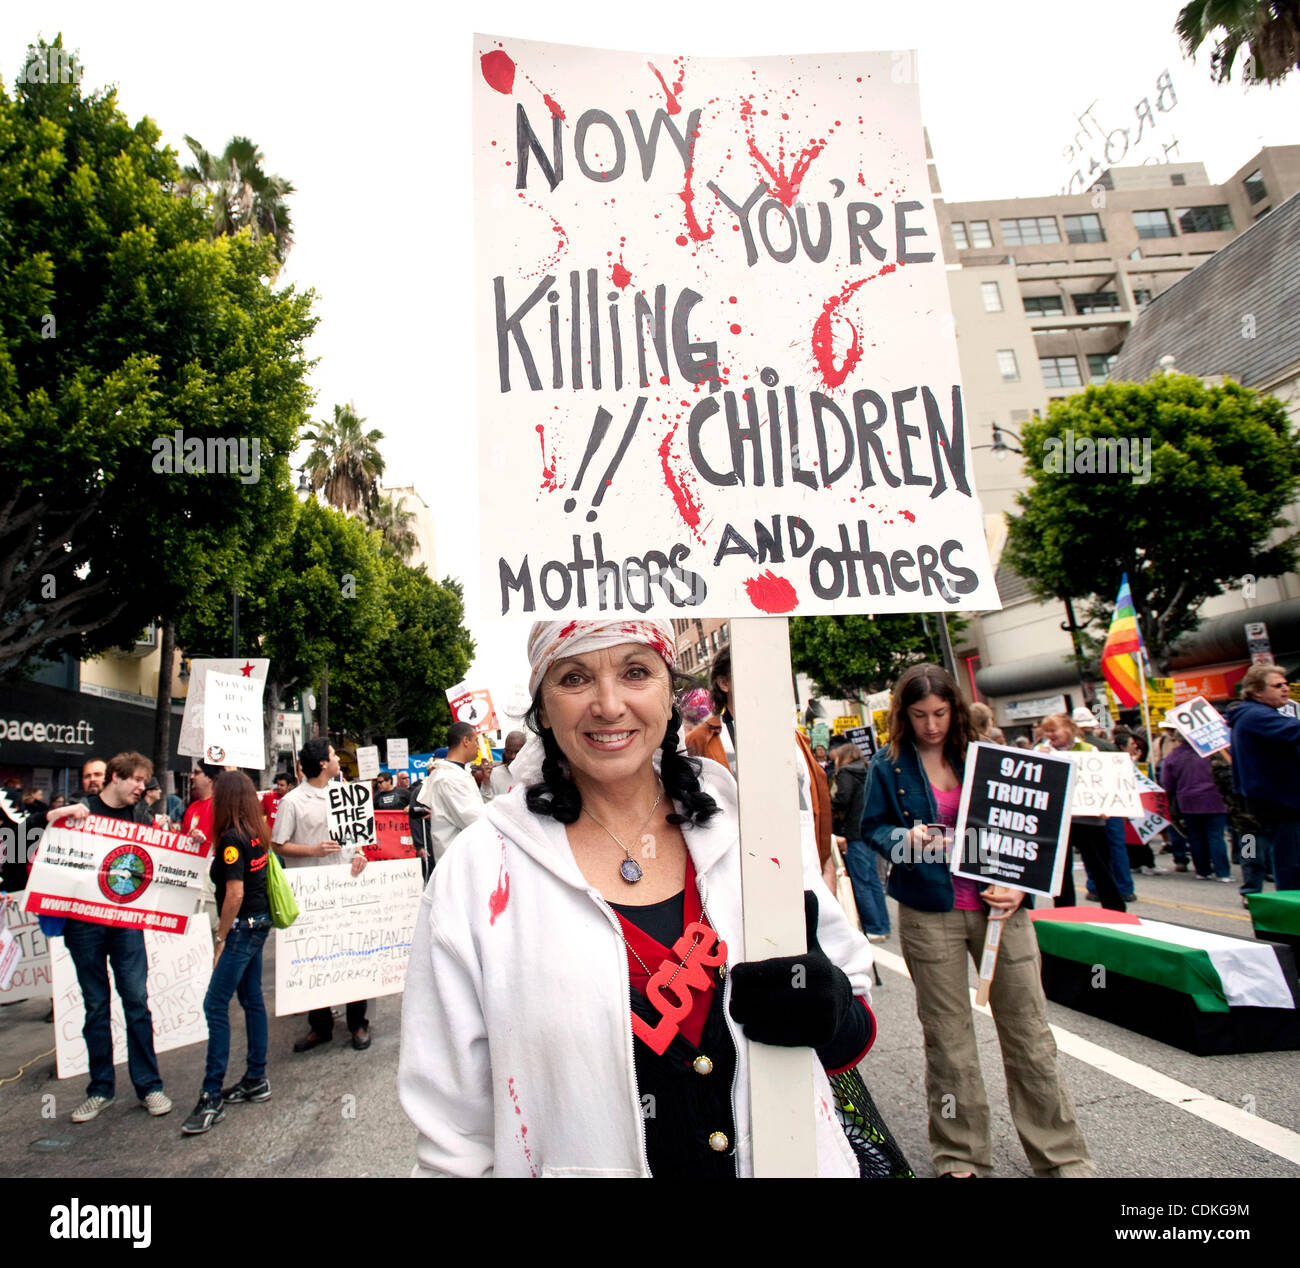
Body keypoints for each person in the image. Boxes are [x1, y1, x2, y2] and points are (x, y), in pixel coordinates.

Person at [399, 619, 876, 1177]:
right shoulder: (477, 876)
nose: (608, 705)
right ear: (542, 710)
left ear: (670, 697)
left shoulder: (752, 833)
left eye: (635, 672)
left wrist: (831, 1008)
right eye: (575, 678)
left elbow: (854, 1016)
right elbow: (451, 1132)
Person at [860, 665, 1094, 1177]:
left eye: (940, 713)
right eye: (919, 715)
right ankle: (960, 1155)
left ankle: (1062, 1157)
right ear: (904, 715)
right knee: (948, 1039)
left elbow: (1031, 829)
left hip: (1002, 913)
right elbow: (873, 828)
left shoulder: (989, 758)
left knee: (1030, 1035)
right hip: (929, 911)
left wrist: (1020, 884)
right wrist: (907, 843)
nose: (931, 725)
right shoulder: (889, 764)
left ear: (956, 709)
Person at [42, 752, 176, 1122]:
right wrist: (56, 817)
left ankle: (149, 1086)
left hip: (125, 924)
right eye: (135, 779)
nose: (141, 787)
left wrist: (188, 841)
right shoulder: (81, 809)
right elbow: (28, 835)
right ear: (114, 778)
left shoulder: (141, 816)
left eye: (144, 781)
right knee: (96, 1007)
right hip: (84, 927)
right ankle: (100, 1089)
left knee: (136, 1000)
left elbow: (165, 855)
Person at [685, 646, 836, 892]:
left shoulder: (795, 738)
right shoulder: (701, 740)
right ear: (724, 683)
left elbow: (815, 803)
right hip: (743, 884)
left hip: (807, 878)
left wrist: (826, 868)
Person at [182, 772, 274, 1134]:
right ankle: (256, 1077)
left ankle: (211, 1095)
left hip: (241, 929)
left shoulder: (233, 839)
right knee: (252, 1000)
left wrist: (221, 938)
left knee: (215, 1005)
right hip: (258, 923)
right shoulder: (255, 832)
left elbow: (233, 895)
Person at [272, 738, 370, 1051]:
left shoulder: (345, 794)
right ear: (322, 764)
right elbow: (278, 844)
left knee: (353, 952)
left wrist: (360, 854)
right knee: (316, 958)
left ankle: (358, 1023)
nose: (339, 759)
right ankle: (320, 1025)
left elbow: (357, 838)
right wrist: (312, 850)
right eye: (332, 755)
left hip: (345, 888)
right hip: (311, 895)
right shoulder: (293, 802)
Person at [1040, 713, 1126, 911]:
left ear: (1069, 728)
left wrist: (1107, 805)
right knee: (1060, 872)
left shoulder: (1089, 749)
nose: (1049, 735)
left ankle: (1115, 910)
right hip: (1057, 820)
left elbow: (1102, 781)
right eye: (1047, 731)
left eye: (1054, 730)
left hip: (1089, 819)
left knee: (1100, 866)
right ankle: (1064, 911)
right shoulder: (1041, 750)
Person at [1228, 664, 1300, 897]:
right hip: (1271, 804)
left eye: (1286, 684)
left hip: (1252, 803)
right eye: (1277, 685)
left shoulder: (1249, 715)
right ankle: (1254, 891)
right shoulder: (1257, 715)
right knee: (1270, 856)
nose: (1285, 689)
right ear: (1257, 691)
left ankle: (1251, 891)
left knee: (1253, 850)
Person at [830, 742, 889, 941]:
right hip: (870, 829)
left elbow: (842, 799)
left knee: (861, 882)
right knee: (872, 880)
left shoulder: (846, 773)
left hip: (855, 831)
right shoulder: (868, 770)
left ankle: (873, 926)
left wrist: (829, 805)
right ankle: (882, 924)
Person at [1160, 729, 1233, 883]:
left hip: (1188, 801)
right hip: (1214, 800)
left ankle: (1202, 870)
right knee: (1216, 836)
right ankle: (1222, 872)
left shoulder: (1173, 756)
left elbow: (1167, 783)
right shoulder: (1212, 752)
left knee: (1195, 837)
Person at [416, 723, 485, 863]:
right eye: (476, 741)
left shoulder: (455, 774)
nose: (478, 747)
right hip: (458, 860)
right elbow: (474, 820)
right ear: (466, 741)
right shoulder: (449, 778)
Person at [488, 730, 526, 798]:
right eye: (508, 751)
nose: (512, 756)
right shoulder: (493, 774)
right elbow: (487, 803)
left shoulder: (532, 775)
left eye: (517, 752)